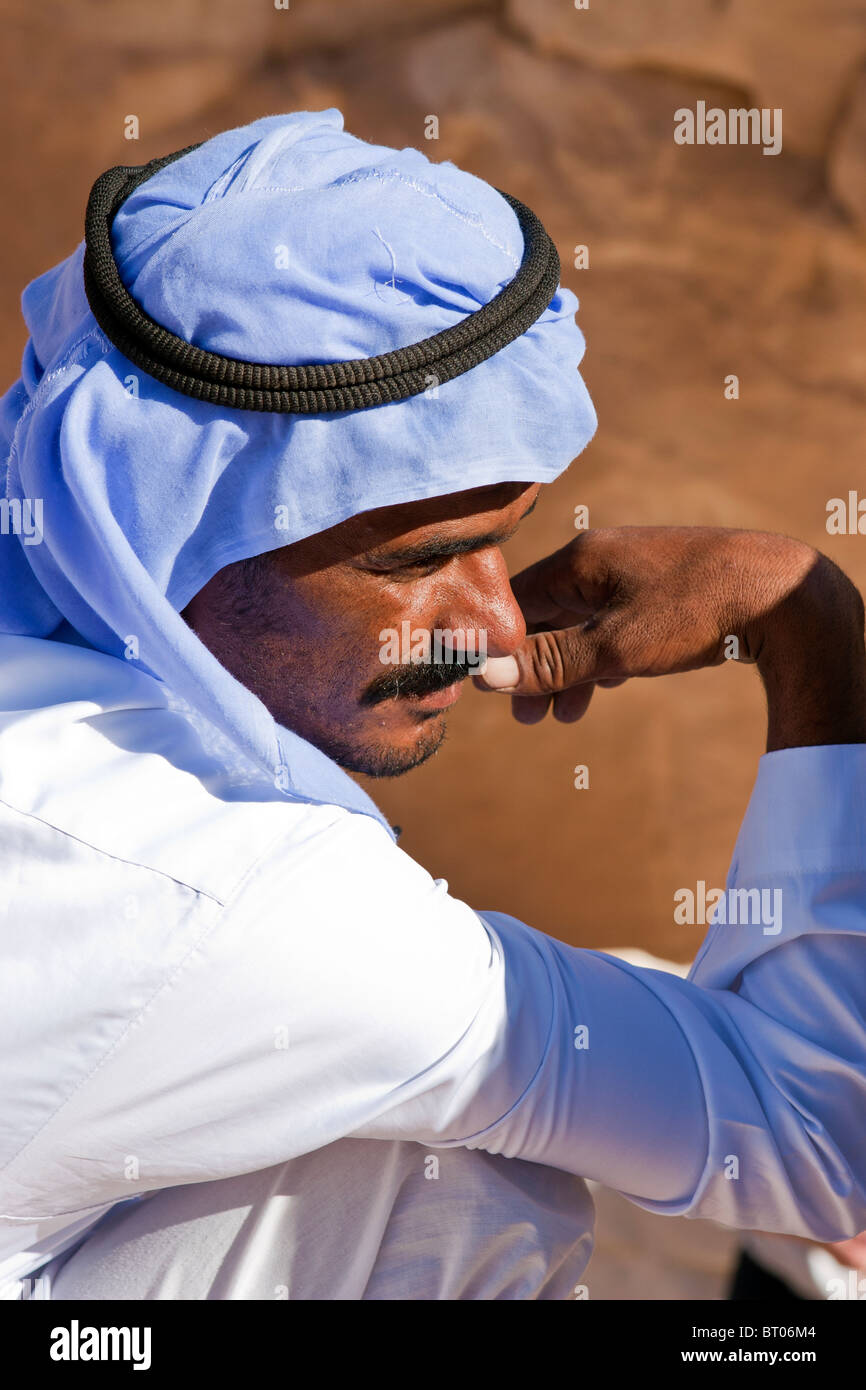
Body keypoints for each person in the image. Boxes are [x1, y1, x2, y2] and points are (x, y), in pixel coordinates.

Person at [1, 110, 864, 1302]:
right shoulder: (254, 905)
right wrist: (804, 621)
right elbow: (817, 1143)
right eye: (417, 560)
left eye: (501, 547)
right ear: (176, 532)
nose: (500, 627)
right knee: (454, 1171)